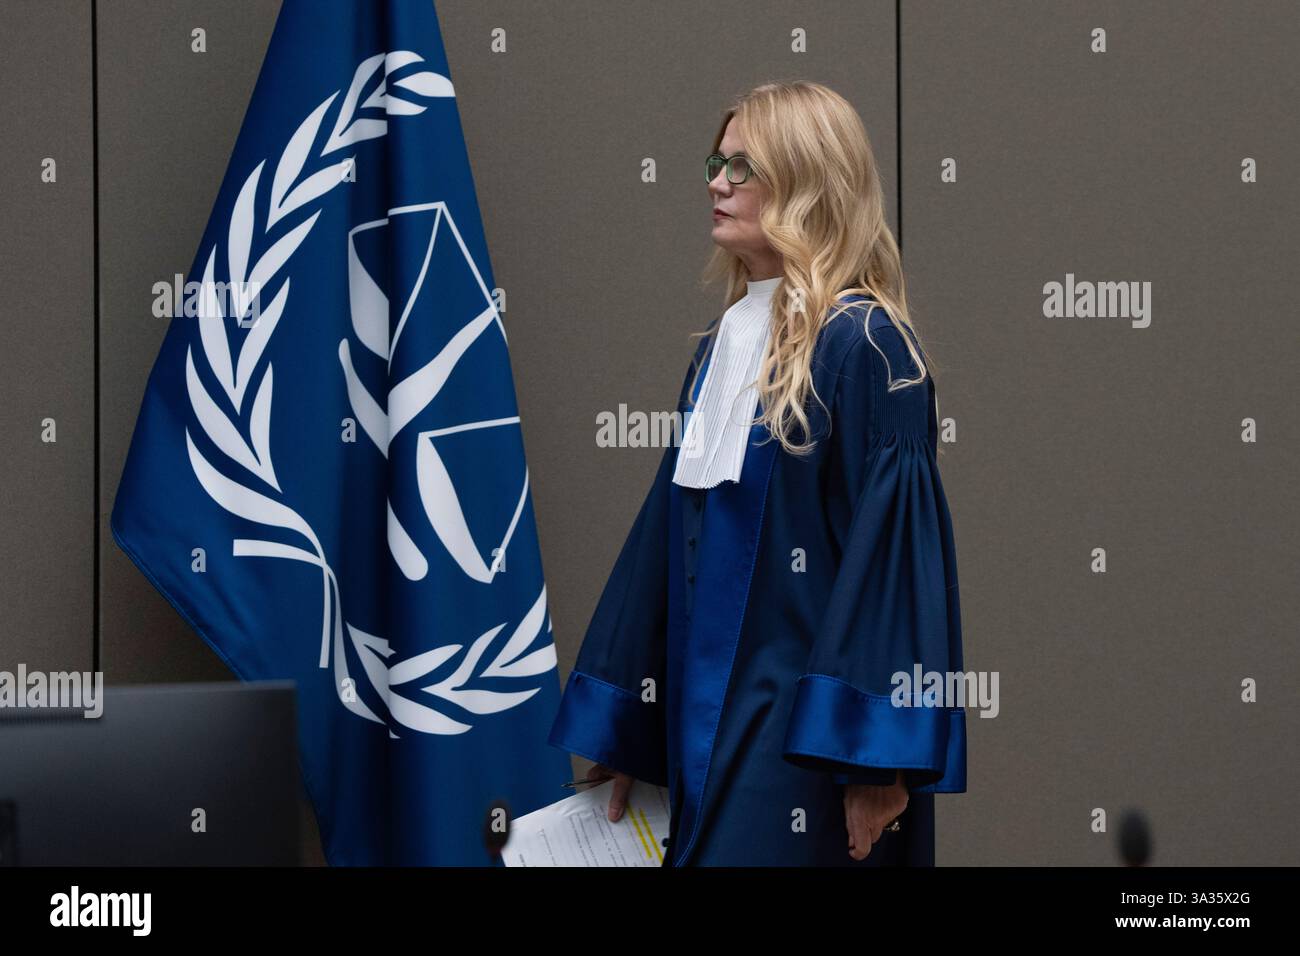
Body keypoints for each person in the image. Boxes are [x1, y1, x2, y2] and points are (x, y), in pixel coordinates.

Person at [548, 81, 966, 866]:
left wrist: (880, 761)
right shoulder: (723, 342)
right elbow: (665, 547)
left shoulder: (868, 348)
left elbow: (898, 572)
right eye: (717, 161)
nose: (716, 181)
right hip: (704, 732)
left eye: (744, 166)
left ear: (810, 182)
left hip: (803, 748)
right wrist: (631, 725)